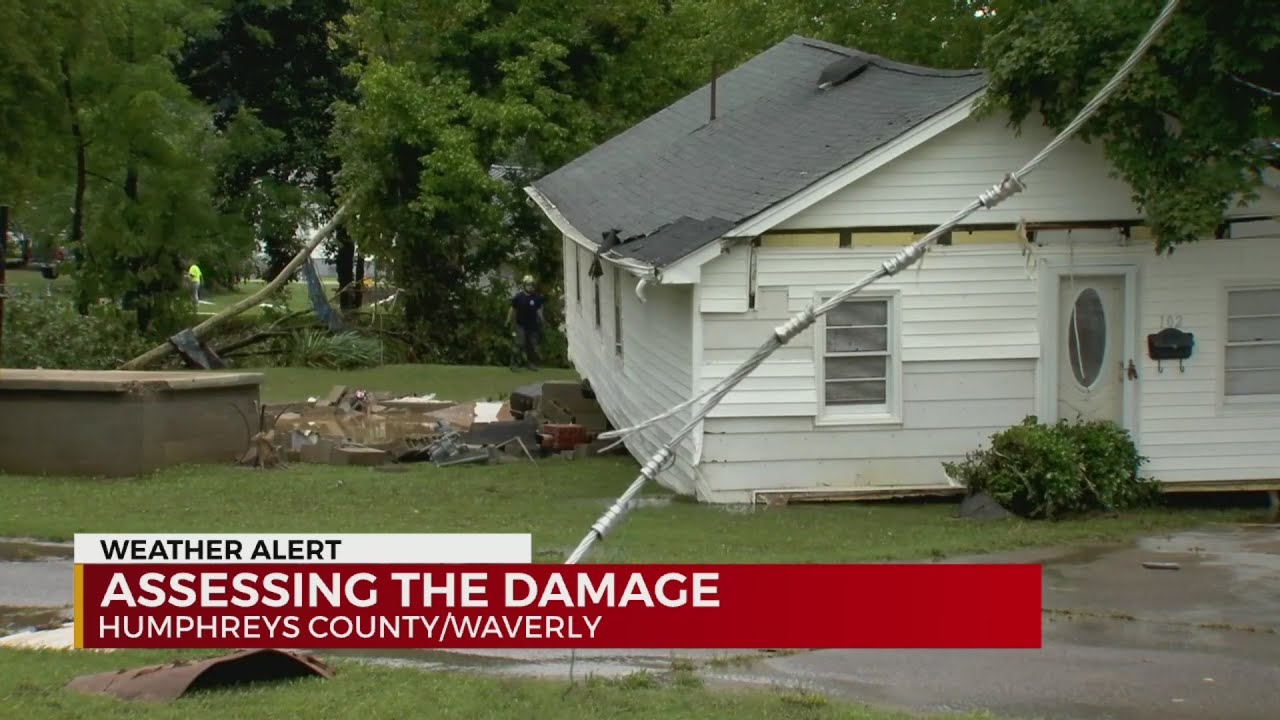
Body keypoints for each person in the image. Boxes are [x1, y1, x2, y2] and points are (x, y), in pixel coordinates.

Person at [508, 274, 545, 371]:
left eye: (532, 285)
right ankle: (514, 364)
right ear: (524, 285)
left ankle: (531, 364)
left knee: (532, 346)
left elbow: (539, 309)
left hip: (533, 325)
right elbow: (512, 309)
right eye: (528, 285)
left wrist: (542, 319)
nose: (531, 287)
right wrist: (508, 320)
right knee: (519, 344)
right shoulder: (519, 297)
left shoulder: (536, 297)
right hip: (521, 325)